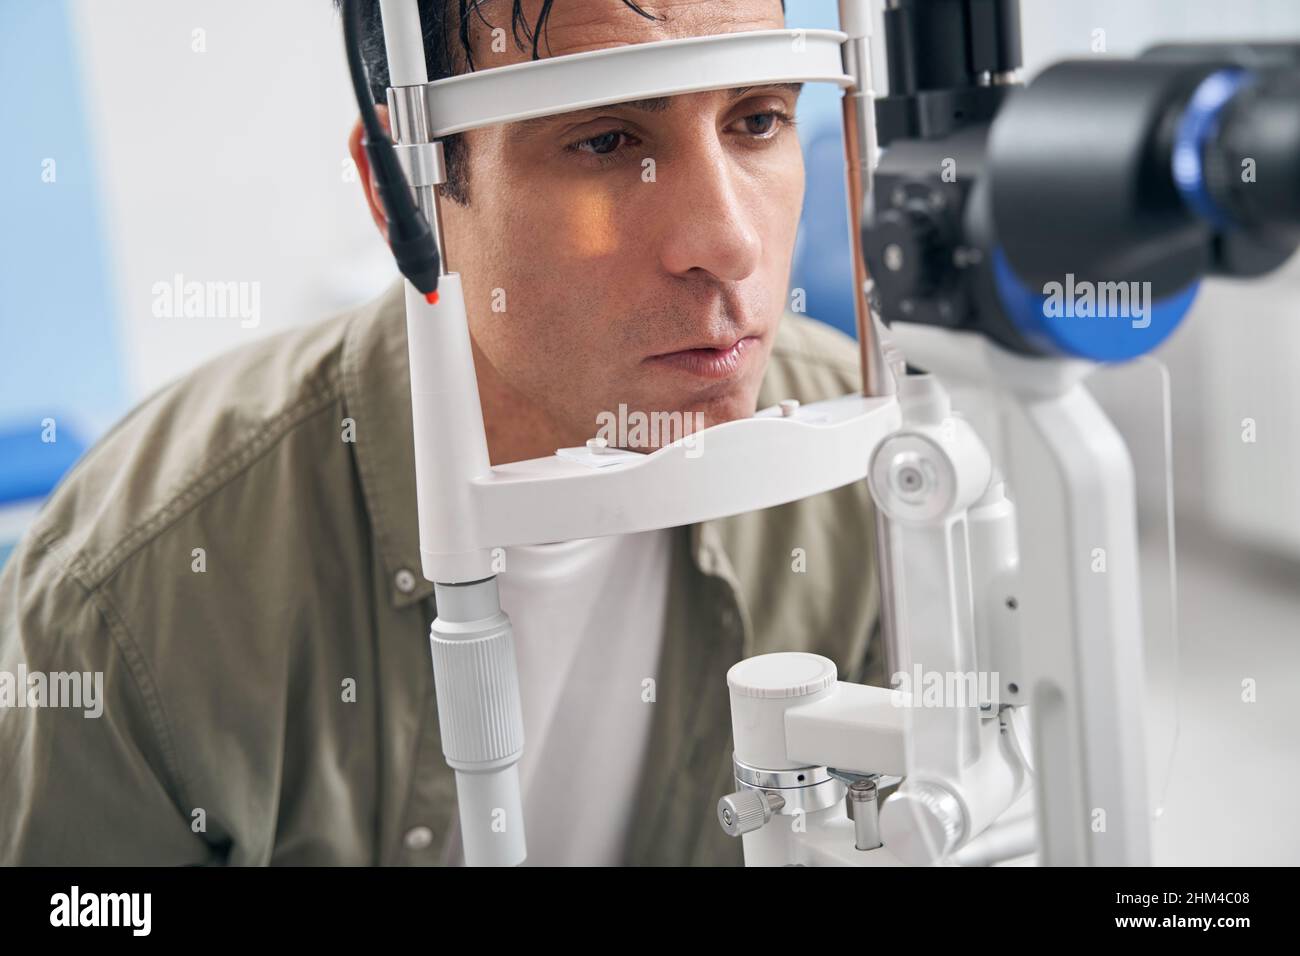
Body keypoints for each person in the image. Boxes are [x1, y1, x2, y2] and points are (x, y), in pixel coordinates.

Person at [0, 0, 882, 866]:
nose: (728, 242)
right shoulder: (130, 596)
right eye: (607, 140)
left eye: (758, 119)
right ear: (401, 192)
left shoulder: (869, 468)